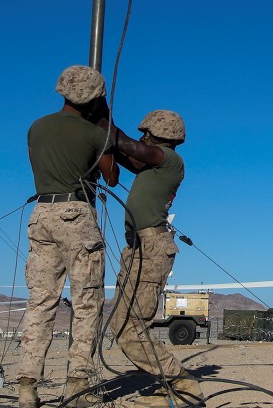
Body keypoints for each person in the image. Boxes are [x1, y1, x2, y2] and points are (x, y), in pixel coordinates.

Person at [17, 65, 119, 408]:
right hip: (76, 215)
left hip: (42, 213)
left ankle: (27, 386)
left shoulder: (37, 128)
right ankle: (77, 385)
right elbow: (112, 176)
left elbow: (37, 166)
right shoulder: (93, 133)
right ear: (95, 100)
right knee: (86, 302)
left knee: (41, 302)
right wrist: (103, 127)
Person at [105, 110, 204, 407]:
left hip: (151, 248)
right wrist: (107, 138)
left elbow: (130, 147)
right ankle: (171, 384)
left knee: (132, 326)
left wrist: (102, 119)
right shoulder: (151, 165)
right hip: (138, 249)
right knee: (122, 325)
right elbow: (128, 156)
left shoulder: (170, 160)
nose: (142, 137)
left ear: (160, 135)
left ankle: (182, 383)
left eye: (146, 133)